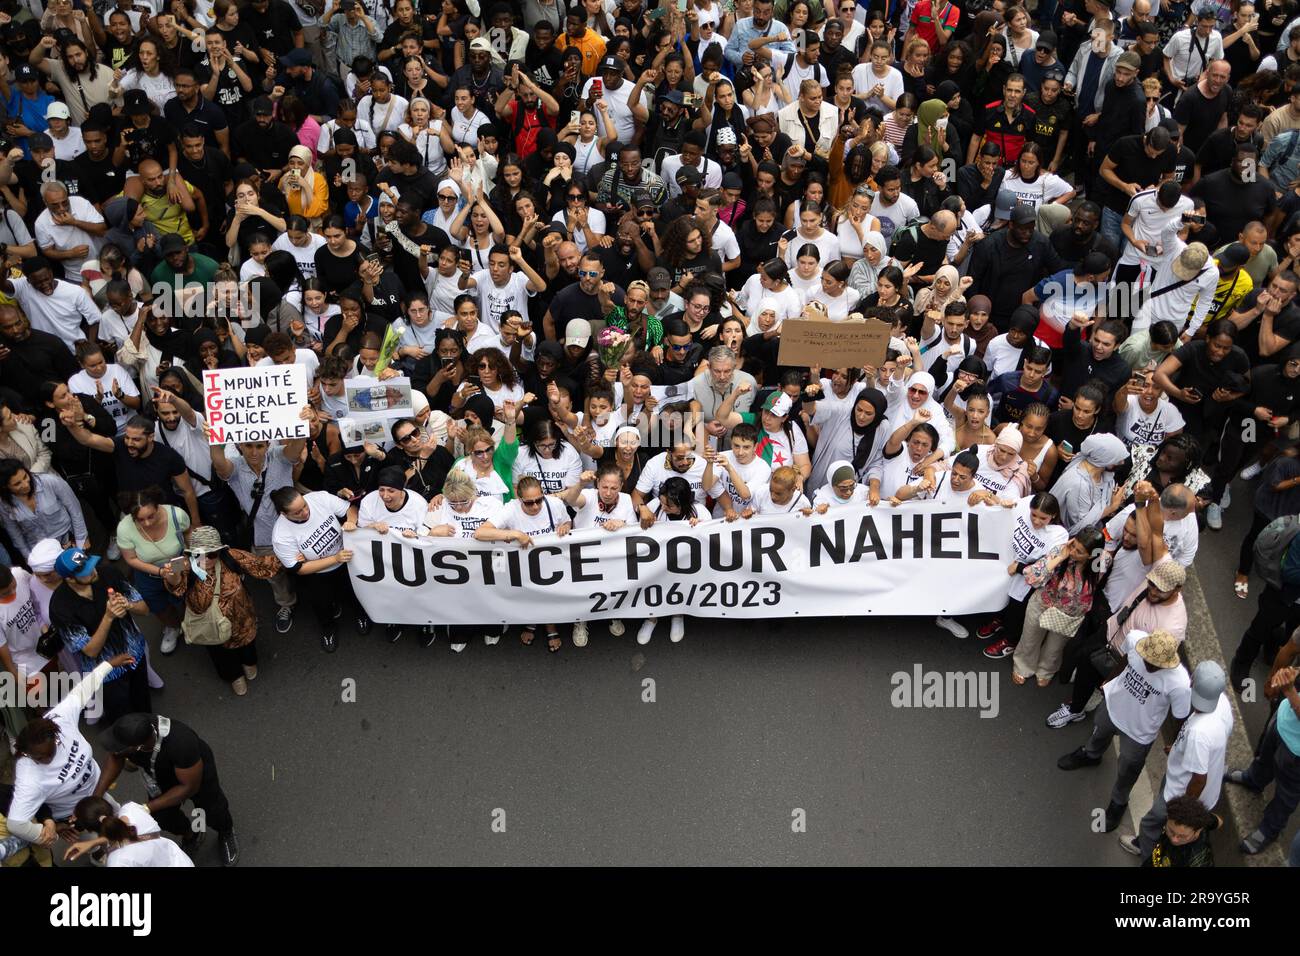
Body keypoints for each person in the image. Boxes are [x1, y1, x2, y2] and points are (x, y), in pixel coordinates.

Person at [1058, 629, 1191, 833]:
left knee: (1128, 769)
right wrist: (1109, 681)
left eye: (1155, 664)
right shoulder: (1135, 640)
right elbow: (1125, 659)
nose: (1148, 664)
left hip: (1139, 732)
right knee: (1098, 731)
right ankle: (1091, 754)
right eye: (1146, 658)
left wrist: (1176, 744)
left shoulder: (1180, 683)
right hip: (1113, 706)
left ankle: (1118, 802)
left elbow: (1180, 717)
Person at [5, 656, 135, 853]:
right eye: (38, 758)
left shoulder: (60, 719)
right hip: (79, 817)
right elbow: (16, 823)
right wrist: (51, 832)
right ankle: (101, 856)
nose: (45, 760)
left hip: (100, 791)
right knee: (103, 847)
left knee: (123, 819)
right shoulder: (29, 776)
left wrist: (108, 665)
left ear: (56, 737)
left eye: (49, 754)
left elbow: (82, 690)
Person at [95, 712, 241, 866]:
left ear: (138, 746)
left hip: (192, 774)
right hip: (160, 774)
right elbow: (116, 756)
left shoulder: (181, 743)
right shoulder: (132, 728)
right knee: (162, 816)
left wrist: (145, 808)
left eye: (119, 747)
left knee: (212, 808)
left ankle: (225, 831)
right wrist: (96, 796)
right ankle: (191, 835)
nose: (114, 750)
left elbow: (189, 787)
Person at [1122, 661, 1231, 858]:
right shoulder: (1222, 704)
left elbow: (1199, 779)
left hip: (1179, 793)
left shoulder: (1199, 733)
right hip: (1199, 793)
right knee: (1171, 833)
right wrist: (1179, 749)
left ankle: (1147, 855)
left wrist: (1184, 811)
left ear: (1192, 682)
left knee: (1150, 824)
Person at [270, 487, 367, 654]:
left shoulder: (318, 498)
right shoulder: (281, 535)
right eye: (297, 512)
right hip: (317, 574)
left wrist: (350, 520)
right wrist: (334, 559)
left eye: (305, 506)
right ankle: (328, 629)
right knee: (322, 604)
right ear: (284, 514)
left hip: (346, 560)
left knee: (355, 593)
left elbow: (350, 508)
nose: (305, 512)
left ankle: (362, 615)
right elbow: (298, 568)